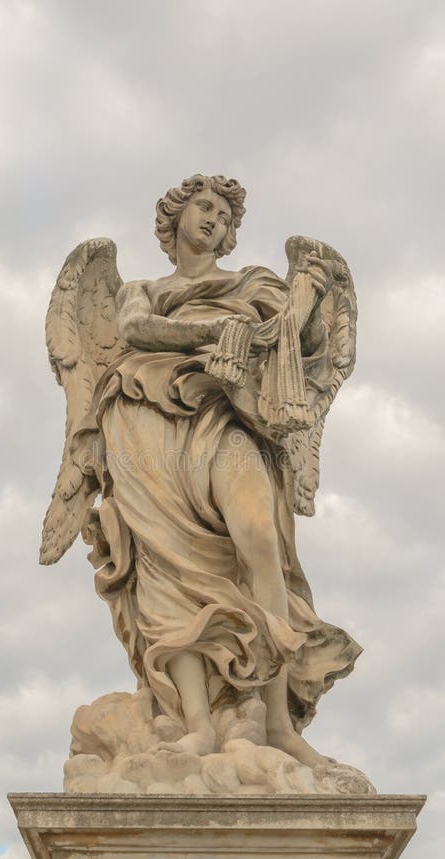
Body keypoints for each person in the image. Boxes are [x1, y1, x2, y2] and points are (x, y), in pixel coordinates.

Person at [90, 174, 361, 767]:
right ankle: (197, 728)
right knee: (167, 571)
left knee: (259, 539)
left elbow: (300, 342)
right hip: (145, 423)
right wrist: (215, 331)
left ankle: (278, 724)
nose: (214, 219)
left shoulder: (252, 283)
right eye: (203, 207)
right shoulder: (140, 288)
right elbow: (135, 330)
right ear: (175, 217)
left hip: (225, 416)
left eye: (224, 214)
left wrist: (311, 292)